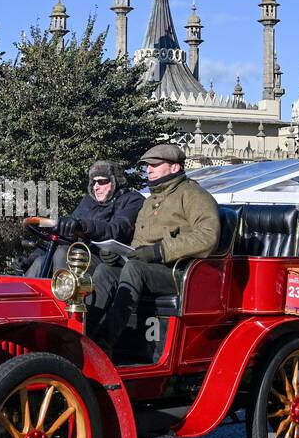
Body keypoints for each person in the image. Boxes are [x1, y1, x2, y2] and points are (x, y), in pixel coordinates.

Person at [85, 144, 220, 354]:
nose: (149, 169)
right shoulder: (151, 201)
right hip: (146, 268)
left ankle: (104, 344)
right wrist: (118, 255)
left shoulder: (193, 195)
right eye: (147, 165)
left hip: (178, 273)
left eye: (155, 165)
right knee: (104, 270)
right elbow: (139, 245)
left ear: (175, 168)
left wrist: (159, 251)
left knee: (134, 269)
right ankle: (84, 336)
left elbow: (207, 236)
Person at [24, 160, 143, 276]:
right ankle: (24, 294)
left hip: (108, 260)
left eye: (102, 182)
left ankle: (65, 294)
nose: (96, 187)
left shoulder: (132, 200)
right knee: (40, 262)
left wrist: (83, 226)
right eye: (94, 182)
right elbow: (62, 235)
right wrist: (30, 259)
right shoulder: (88, 202)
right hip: (81, 254)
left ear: (116, 181)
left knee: (64, 254)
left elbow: (117, 229)